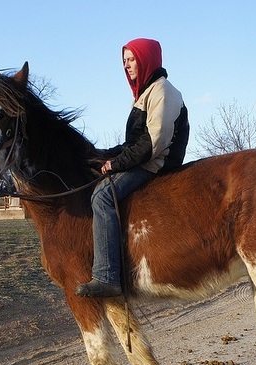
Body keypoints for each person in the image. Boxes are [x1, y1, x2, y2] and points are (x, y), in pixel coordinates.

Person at [76, 38, 190, 298]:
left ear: (146, 59)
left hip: (156, 164)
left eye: (131, 59)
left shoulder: (162, 91)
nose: (126, 65)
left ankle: (107, 276)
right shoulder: (146, 93)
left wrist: (116, 164)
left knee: (103, 196)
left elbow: (152, 143)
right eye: (124, 60)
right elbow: (133, 143)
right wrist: (103, 155)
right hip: (148, 160)